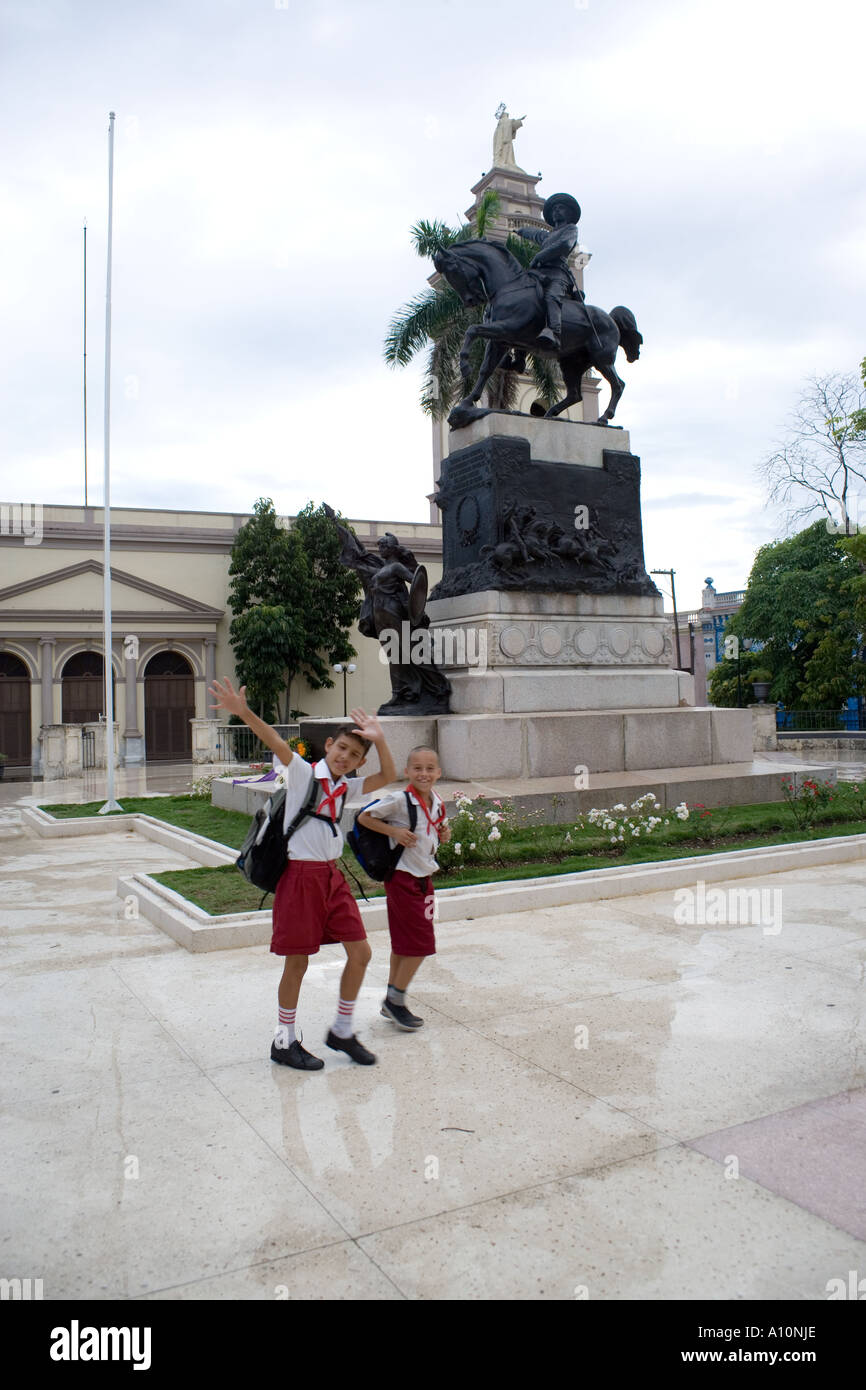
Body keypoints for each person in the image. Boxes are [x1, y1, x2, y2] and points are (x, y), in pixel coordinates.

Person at [209, 676, 397, 1071]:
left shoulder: (347, 787)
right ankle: (284, 1039)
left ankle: (342, 1030)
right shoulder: (304, 775)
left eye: (354, 754)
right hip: (299, 880)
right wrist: (244, 713)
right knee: (297, 963)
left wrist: (379, 739)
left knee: (360, 952)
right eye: (341, 747)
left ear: (360, 762)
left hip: (332, 879)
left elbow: (389, 778)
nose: (345, 757)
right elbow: (277, 743)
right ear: (328, 746)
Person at [356, 745, 450, 1030]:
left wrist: (445, 833)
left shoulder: (437, 801)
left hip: (424, 878)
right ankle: (395, 1001)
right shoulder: (399, 800)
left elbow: (437, 830)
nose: (424, 773)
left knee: (404, 942)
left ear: (438, 772)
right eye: (417, 768)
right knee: (421, 943)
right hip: (403, 878)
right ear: (407, 771)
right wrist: (394, 832)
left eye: (429, 768)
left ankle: (391, 997)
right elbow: (364, 817)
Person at [517, 192, 582, 350]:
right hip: (540, 274)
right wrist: (519, 231)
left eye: (561, 208)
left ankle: (554, 332)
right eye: (554, 209)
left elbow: (564, 245)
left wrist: (540, 256)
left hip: (558, 274)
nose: (556, 211)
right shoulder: (548, 236)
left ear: (569, 212)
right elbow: (534, 234)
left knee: (551, 297)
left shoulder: (570, 229)